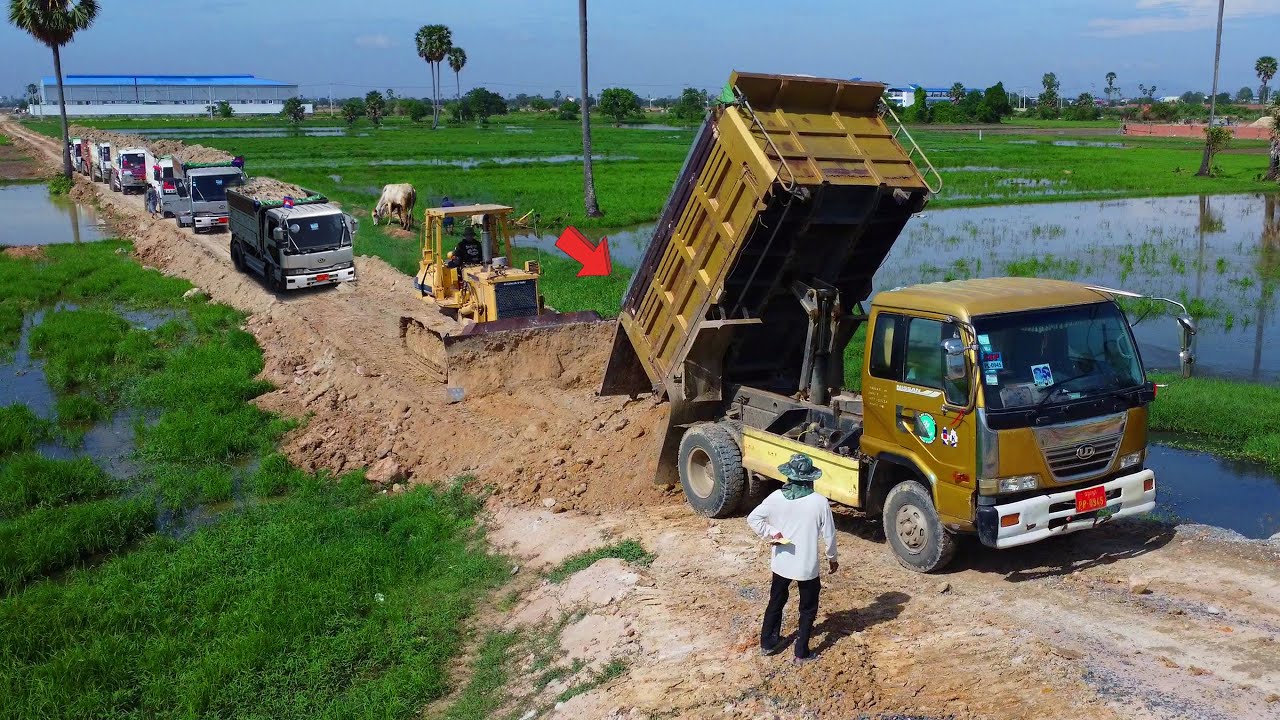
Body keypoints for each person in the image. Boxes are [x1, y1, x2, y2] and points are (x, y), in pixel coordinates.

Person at [747, 453, 838, 663]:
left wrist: (772, 533)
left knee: (776, 601)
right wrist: (832, 558)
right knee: (807, 608)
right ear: (810, 478)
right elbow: (829, 535)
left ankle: (768, 643)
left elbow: (753, 518)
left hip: (781, 562)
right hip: (807, 566)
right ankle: (801, 651)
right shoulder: (820, 502)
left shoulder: (775, 498)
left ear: (789, 475)